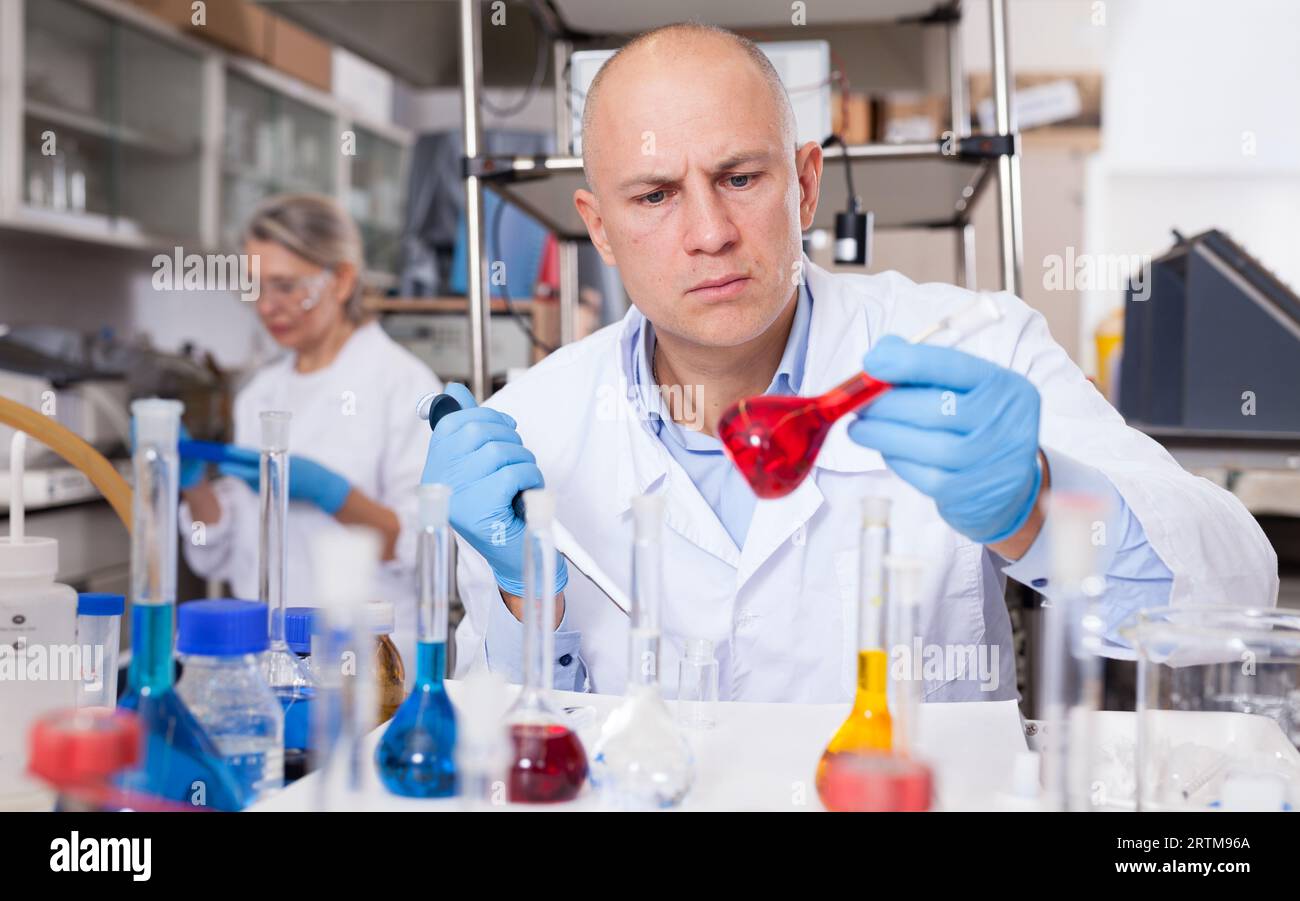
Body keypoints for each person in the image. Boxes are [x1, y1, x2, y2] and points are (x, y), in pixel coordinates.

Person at [425, 24, 1277, 703]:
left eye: (739, 178)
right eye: (654, 195)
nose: (709, 232)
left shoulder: (972, 346)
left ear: (804, 184)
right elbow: (503, 749)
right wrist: (522, 599)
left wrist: (1039, 503)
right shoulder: (532, 424)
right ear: (599, 225)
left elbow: (1236, 592)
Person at [180, 194, 441, 670]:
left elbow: (425, 551)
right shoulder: (259, 394)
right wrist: (192, 485)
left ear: (341, 280)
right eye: (256, 288)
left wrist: (333, 494)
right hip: (263, 654)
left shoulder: (404, 387)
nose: (267, 307)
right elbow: (216, 557)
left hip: (367, 660)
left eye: (285, 286)